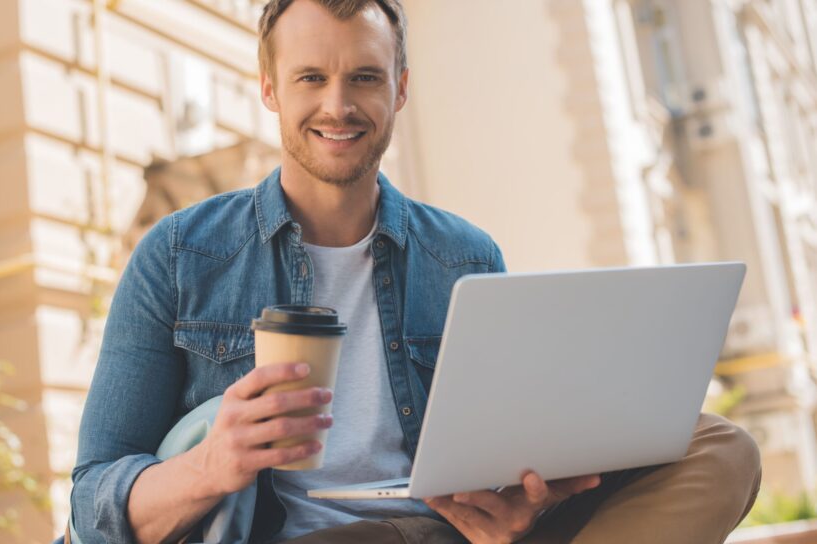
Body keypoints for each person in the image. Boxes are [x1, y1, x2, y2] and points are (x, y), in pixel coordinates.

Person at [68, 1, 762, 542]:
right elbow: (93, 498)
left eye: (364, 77)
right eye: (311, 77)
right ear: (271, 91)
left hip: (450, 533)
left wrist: (517, 499)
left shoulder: (464, 256)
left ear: (398, 90)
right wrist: (212, 466)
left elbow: (502, 447)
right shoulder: (183, 253)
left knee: (719, 448)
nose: (338, 105)